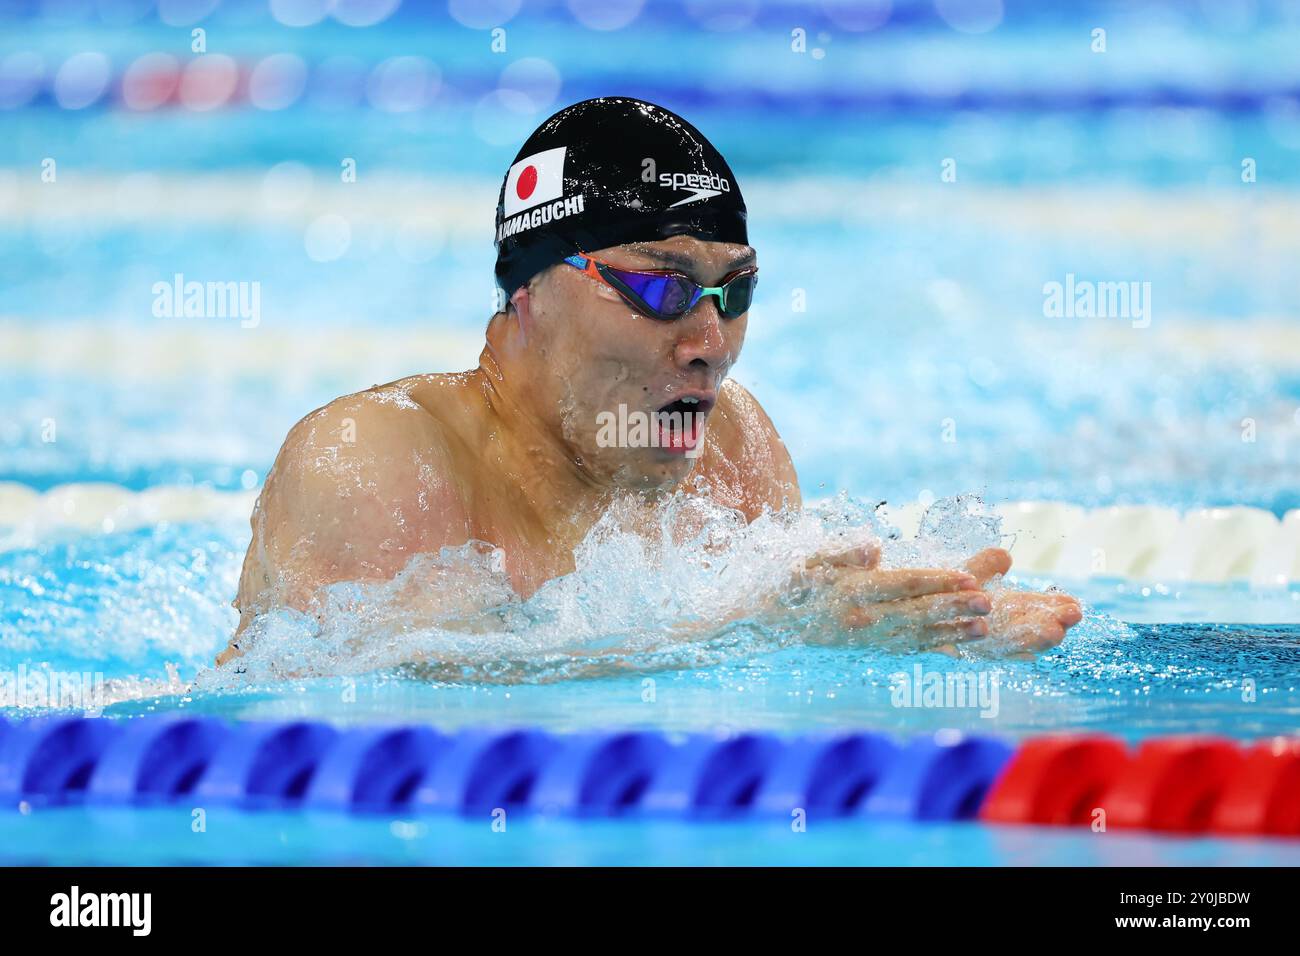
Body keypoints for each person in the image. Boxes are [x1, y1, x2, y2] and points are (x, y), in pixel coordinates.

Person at [217, 96, 1080, 667]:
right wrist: (764, 633)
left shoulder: (735, 445)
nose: (711, 344)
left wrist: (918, 632)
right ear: (529, 292)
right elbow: (385, 715)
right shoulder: (377, 461)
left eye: (733, 293)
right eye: (659, 289)